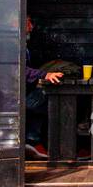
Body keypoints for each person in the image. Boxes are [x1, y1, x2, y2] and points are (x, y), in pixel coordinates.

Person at [24, 15, 64, 159]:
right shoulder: (10, 43)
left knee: (46, 96)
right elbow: (18, 69)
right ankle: (32, 142)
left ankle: (34, 142)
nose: (31, 27)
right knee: (47, 97)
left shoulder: (24, 45)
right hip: (12, 98)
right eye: (28, 22)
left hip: (23, 92)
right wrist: (44, 75)